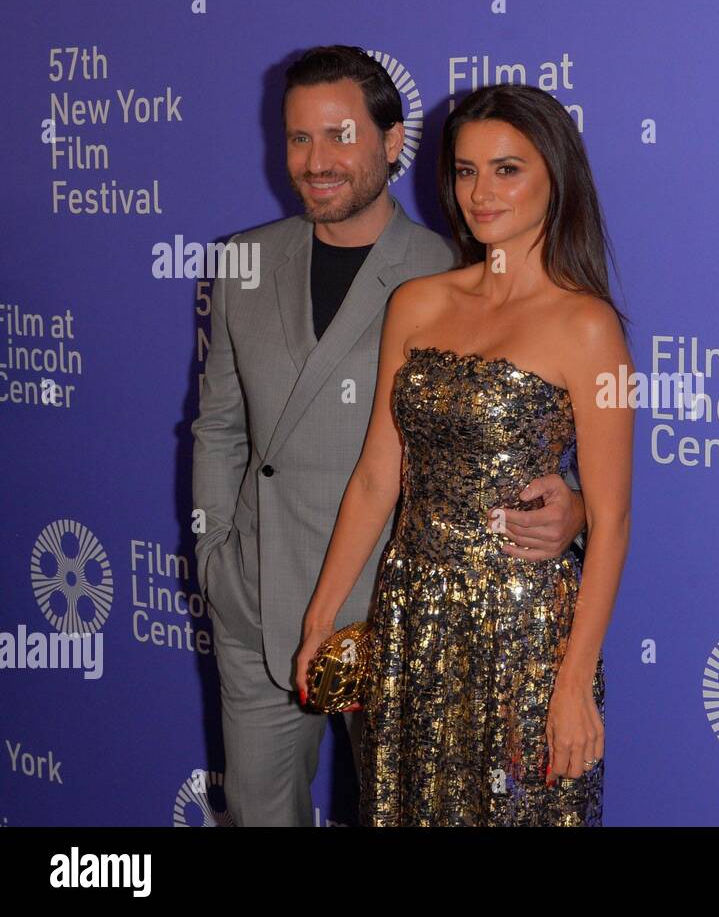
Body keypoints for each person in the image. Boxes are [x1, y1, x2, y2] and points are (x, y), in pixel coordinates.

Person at [191, 48, 588, 828]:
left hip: (406, 617)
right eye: (298, 138)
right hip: (258, 600)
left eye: (339, 136)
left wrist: (571, 507)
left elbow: (520, 428)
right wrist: (217, 557)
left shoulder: (453, 268)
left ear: (392, 141)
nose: (317, 161)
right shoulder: (242, 261)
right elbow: (218, 425)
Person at [292, 83, 634, 826]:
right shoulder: (417, 303)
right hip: (411, 623)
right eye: (466, 170)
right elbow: (378, 477)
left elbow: (609, 521)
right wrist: (321, 618)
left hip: (525, 637)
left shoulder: (590, 328)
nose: (481, 192)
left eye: (507, 169)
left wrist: (573, 680)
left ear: (555, 176)